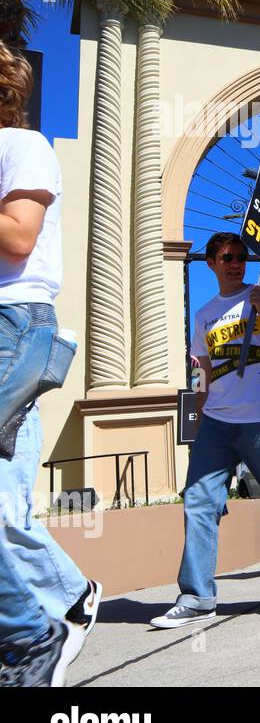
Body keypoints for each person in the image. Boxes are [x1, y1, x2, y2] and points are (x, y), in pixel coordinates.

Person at [151, 233, 260, 629]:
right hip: (216, 422)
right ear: (210, 263)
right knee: (198, 501)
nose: (236, 263)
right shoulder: (205, 315)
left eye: (241, 257)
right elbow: (203, 372)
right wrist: (197, 416)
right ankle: (197, 596)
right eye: (227, 257)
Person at [0, 43, 100, 686]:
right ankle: (62, 597)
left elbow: (17, 235)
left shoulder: (22, 145)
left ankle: (31, 634)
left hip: (11, 325)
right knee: (8, 508)